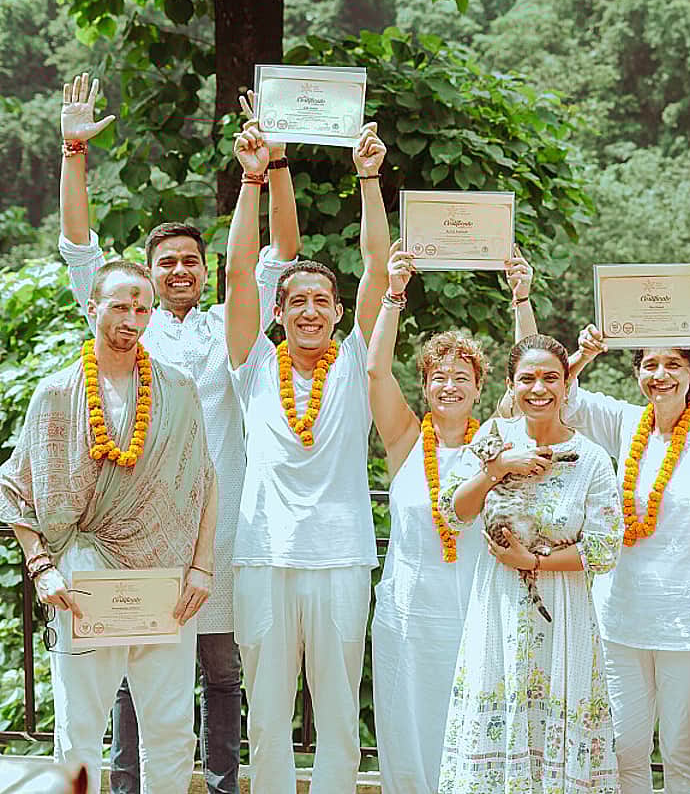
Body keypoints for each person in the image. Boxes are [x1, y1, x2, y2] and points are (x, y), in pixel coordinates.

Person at [56, 73, 299, 794]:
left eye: (192, 259)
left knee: (222, 673)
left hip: (216, 535)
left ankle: (223, 786)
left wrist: (273, 165)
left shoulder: (237, 328)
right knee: (136, 675)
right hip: (135, 538)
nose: (180, 269)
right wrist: (73, 148)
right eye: (167, 261)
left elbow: (281, 252)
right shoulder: (128, 324)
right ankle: (129, 787)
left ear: (204, 270)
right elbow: (78, 246)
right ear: (150, 275)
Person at [0, 261, 217, 794]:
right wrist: (41, 567)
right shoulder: (56, 393)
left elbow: (204, 483)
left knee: (171, 729)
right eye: (120, 305)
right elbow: (16, 487)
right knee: (79, 731)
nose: (132, 317)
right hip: (82, 574)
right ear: (92, 307)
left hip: (165, 578)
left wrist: (201, 568)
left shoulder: (178, 388)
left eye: (142, 307)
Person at [223, 119, 390, 792]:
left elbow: (380, 265)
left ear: (340, 313)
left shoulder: (353, 364)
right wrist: (250, 179)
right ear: (280, 312)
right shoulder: (253, 364)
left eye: (323, 301)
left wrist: (370, 178)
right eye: (298, 302)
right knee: (264, 719)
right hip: (262, 558)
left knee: (341, 719)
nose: (311, 311)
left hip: (341, 557)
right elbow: (239, 272)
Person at [366, 242, 531, 794]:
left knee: (476, 727)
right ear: (425, 386)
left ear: (481, 388)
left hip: (477, 610)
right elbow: (374, 370)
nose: (450, 385)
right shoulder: (406, 438)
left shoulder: (497, 439)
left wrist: (520, 297)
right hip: (410, 613)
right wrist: (393, 294)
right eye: (439, 376)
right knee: (407, 724)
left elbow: (530, 362)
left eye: (462, 376)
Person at [556, 322, 690, 794]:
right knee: (624, 747)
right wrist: (584, 354)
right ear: (638, 371)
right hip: (620, 618)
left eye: (673, 364)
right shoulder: (625, 422)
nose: (660, 375)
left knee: (683, 750)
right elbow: (561, 399)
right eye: (649, 364)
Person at [438, 334, 621, 794]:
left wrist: (533, 561)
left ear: (565, 385)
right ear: (510, 384)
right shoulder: (493, 440)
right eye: (527, 379)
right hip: (498, 609)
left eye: (550, 378)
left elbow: (604, 548)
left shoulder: (593, 459)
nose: (539, 389)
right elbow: (453, 512)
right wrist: (498, 468)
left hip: (564, 615)